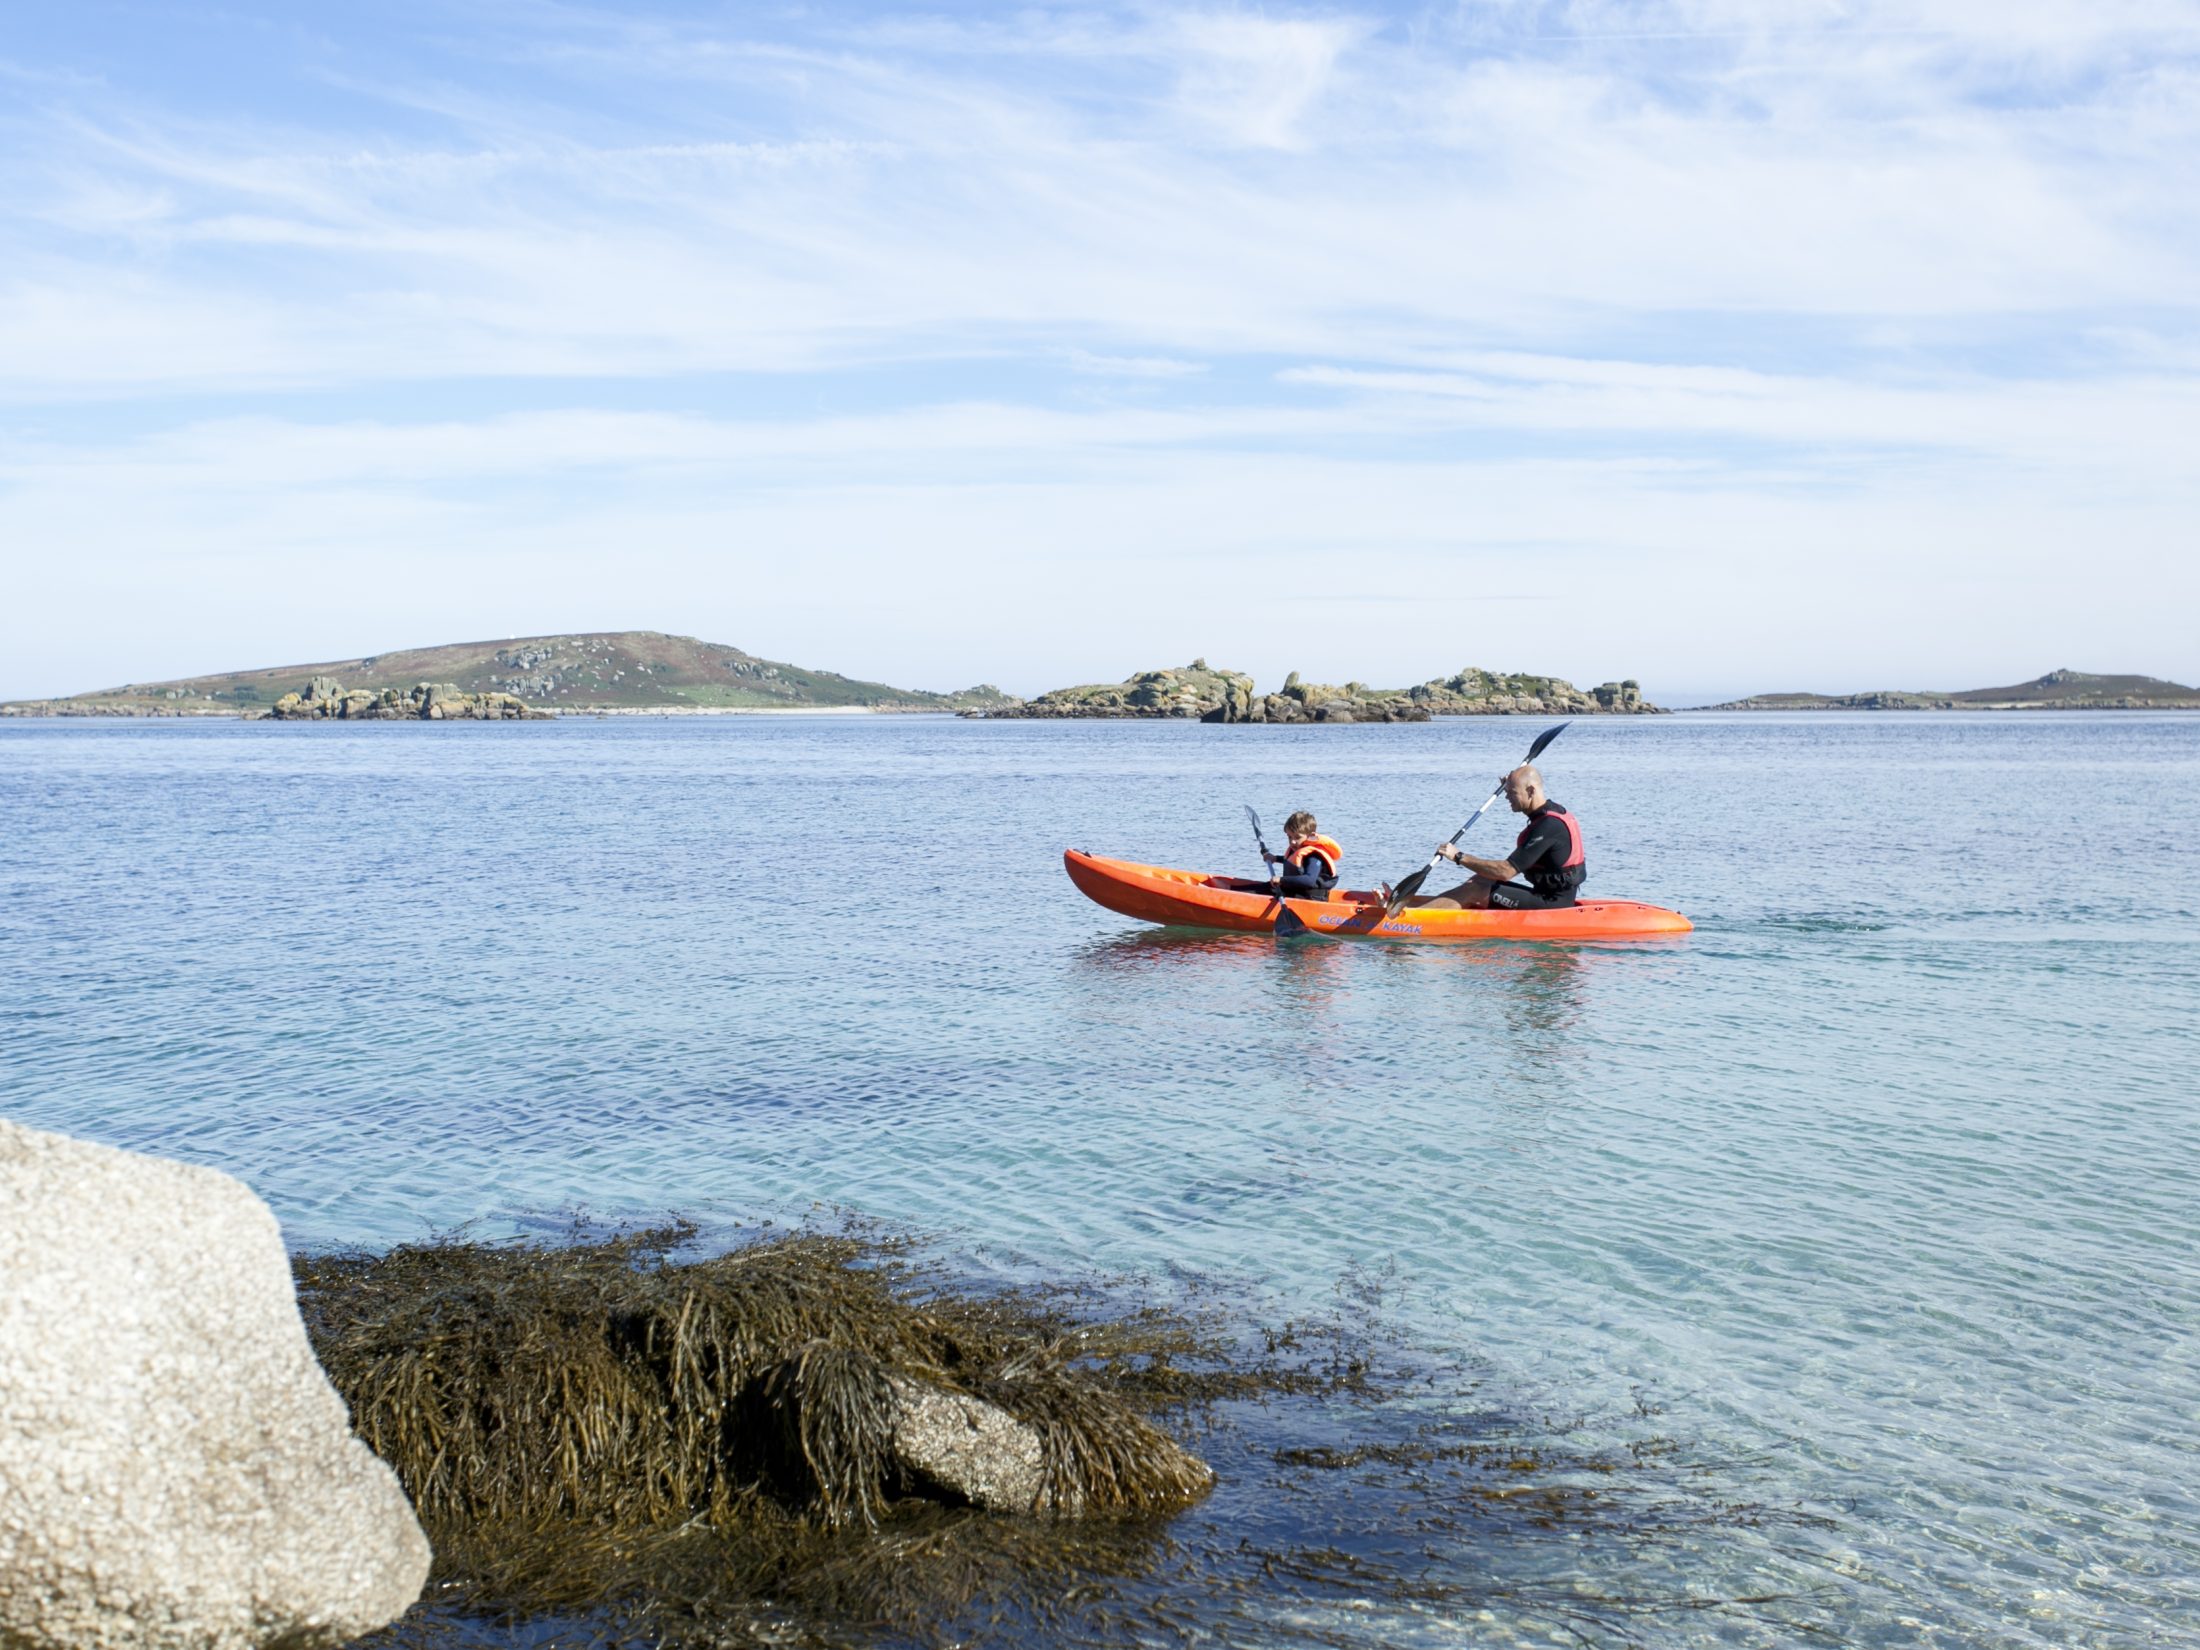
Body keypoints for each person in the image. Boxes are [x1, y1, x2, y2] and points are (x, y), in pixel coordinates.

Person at [1402, 765, 1584, 910]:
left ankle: (1412, 920)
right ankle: (1416, 909)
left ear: (1530, 791)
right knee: (1480, 880)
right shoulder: (1550, 811)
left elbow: (1505, 872)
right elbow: (1530, 801)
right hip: (1546, 896)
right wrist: (1513, 784)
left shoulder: (1549, 826)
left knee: (1476, 889)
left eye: (1512, 793)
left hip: (1553, 906)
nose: (1507, 798)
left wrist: (1459, 857)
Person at [1265, 810, 1342, 898]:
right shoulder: (1298, 848)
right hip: (1294, 891)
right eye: (1289, 837)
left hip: (1309, 897)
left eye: (1298, 837)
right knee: (1253, 888)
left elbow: (1309, 880)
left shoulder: (1314, 856)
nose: (1292, 842)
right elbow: (1295, 862)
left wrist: (1282, 880)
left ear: (1311, 836)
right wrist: (1275, 858)